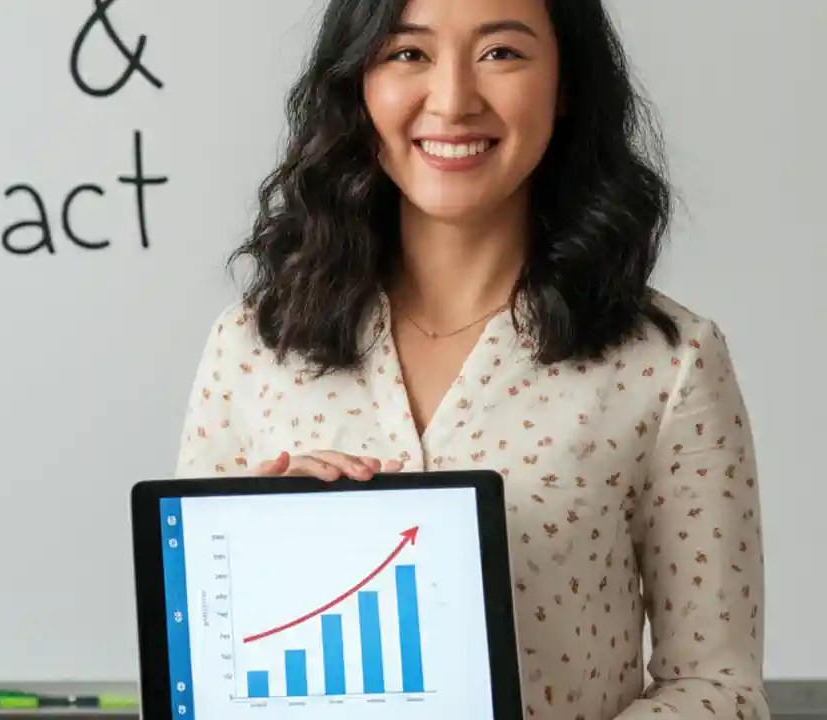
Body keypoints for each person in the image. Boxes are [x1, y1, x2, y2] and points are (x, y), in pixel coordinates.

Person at [173, 0, 766, 718]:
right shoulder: (251, 346)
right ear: (356, 81)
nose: (452, 101)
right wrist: (262, 548)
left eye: (502, 54)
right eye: (406, 54)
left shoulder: (668, 362)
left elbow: (718, 691)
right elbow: (196, 683)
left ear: (566, 82)